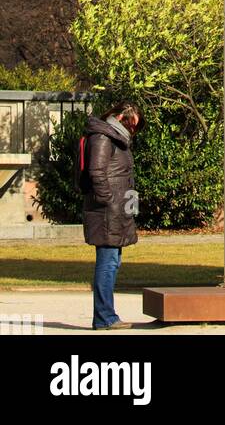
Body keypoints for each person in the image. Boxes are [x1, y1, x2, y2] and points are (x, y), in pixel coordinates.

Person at [81, 100, 143, 330]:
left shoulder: (116, 138)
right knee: (107, 263)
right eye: (131, 124)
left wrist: (127, 205)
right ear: (119, 118)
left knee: (113, 262)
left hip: (118, 209)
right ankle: (105, 318)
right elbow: (96, 172)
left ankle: (106, 316)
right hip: (107, 211)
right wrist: (109, 201)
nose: (133, 130)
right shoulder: (103, 137)